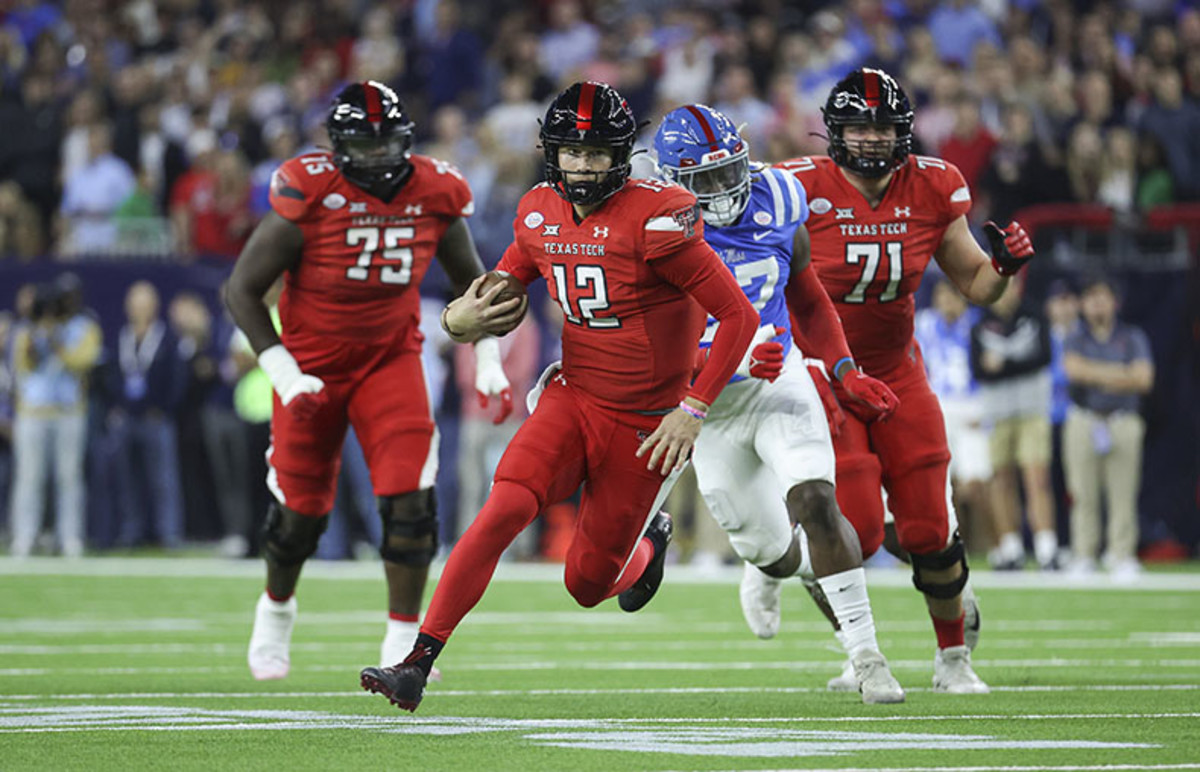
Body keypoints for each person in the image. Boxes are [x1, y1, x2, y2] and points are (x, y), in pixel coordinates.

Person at [360, 80, 758, 712]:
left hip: (647, 422)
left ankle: (648, 542)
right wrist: (458, 322)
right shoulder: (539, 209)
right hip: (574, 398)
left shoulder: (658, 216)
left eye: (597, 153)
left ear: (621, 155)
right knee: (502, 509)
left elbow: (737, 317)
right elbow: (497, 288)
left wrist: (692, 409)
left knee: (586, 584)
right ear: (551, 151)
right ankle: (417, 661)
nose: (582, 166)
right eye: (571, 152)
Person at [224, 81, 516, 681]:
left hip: (390, 359)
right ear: (338, 147)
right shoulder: (309, 190)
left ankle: (402, 642)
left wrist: (487, 363)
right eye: (367, 146)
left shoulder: (434, 190)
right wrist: (281, 369)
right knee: (298, 514)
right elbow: (241, 290)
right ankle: (275, 611)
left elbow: (478, 289)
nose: (380, 158)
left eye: (389, 146)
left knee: (412, 501)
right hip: (310, 365)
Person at [778, 67, 1035, 694]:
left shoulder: (933, 185)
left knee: (928, 527)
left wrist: (1001, 267)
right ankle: (858, 648)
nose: (870, 139)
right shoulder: (791, 189)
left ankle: (954, 659)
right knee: (854, 530)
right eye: (858, 127)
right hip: (824, 379)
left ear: (904, 132)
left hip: (897, 374)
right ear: (833, 132)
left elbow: (976, 284)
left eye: (882, 127)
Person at [652, 103, 905, 704]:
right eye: (704, 180)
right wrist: (736, 360)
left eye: (728, 170)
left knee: (816, 498)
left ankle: (868, 657)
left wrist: (842, 368)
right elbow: (651, 351)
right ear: (672, 182)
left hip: (778, 379)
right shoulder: (654, 226)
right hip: (703, 409)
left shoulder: (781, 197)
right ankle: (765, 568)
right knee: (773, 552)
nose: (723, 189)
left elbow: (807, 293)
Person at [1062, 274, 1154, 582]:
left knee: (1123, 493)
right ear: (1083, 304)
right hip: (1085, 418)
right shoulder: (1077, 337)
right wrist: (1120, 374)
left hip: (1122, 420)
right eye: (1091, 298)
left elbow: (1143, 379)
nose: (1097, 304)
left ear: (1115, 302)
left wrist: (1096, 374)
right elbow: (1074, 370)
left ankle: (1121, 554)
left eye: (1102, 297)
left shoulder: (1132, 337)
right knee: (1082, 493)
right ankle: (1084, 554)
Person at [969, 279, 1057, 571]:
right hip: (997, 412)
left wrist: (1003, 363)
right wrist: (1016, 361)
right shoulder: (980, 324)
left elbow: (1044, 357)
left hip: (1032, 409)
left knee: (1036, 478)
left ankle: (1047, 549)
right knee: (1001, 480)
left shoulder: (1034, 315)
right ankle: (1010, 548)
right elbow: (978, 370)